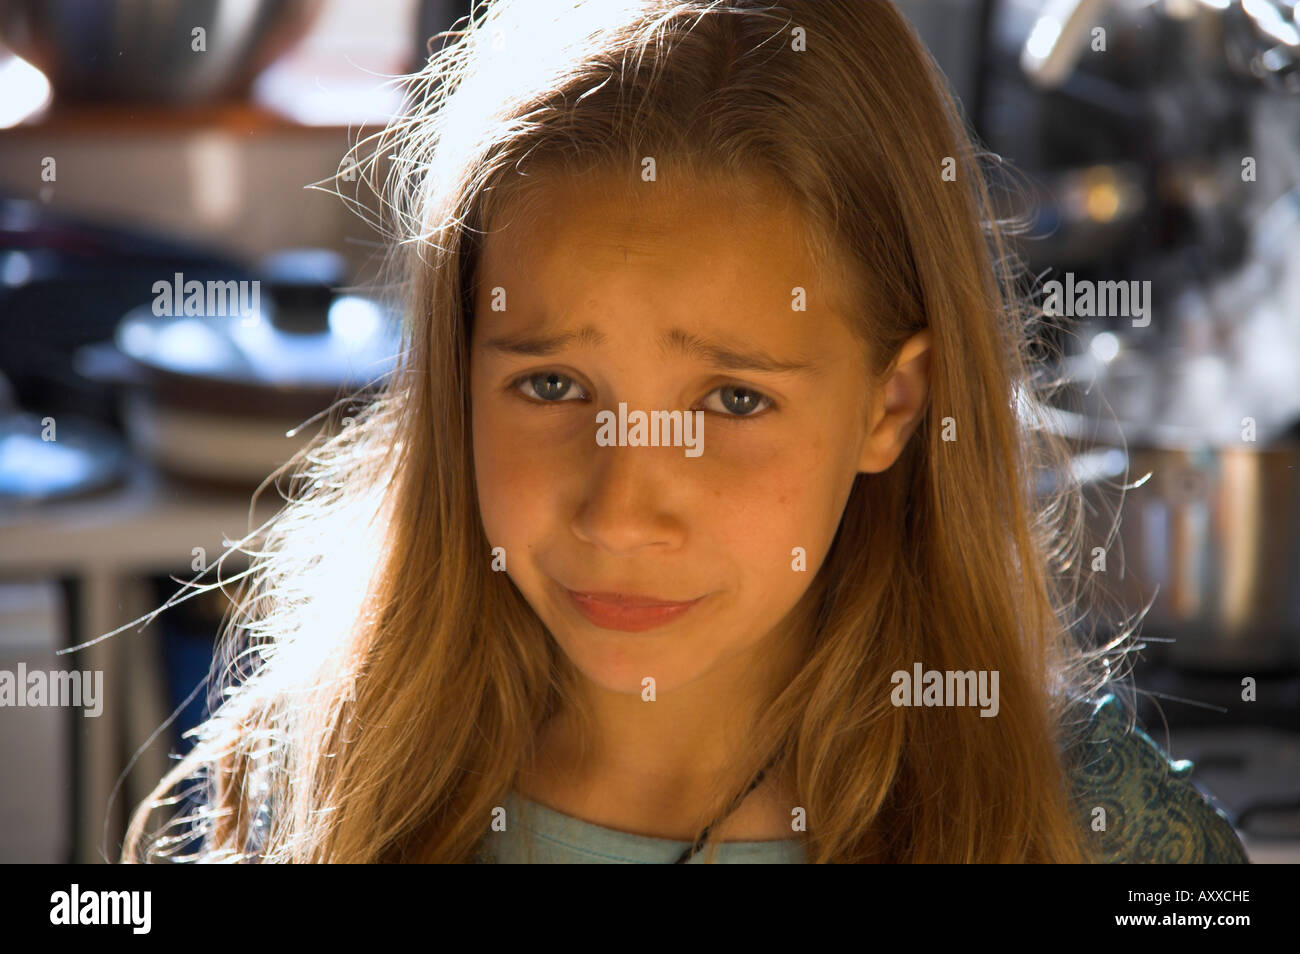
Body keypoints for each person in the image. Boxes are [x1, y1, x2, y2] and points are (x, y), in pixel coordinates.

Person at [123, 0, 1248, 864]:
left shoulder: (1084, 831)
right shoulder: (316, 775)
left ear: (891, 405)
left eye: (732, 402)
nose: (623, 509)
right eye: (555, 386)